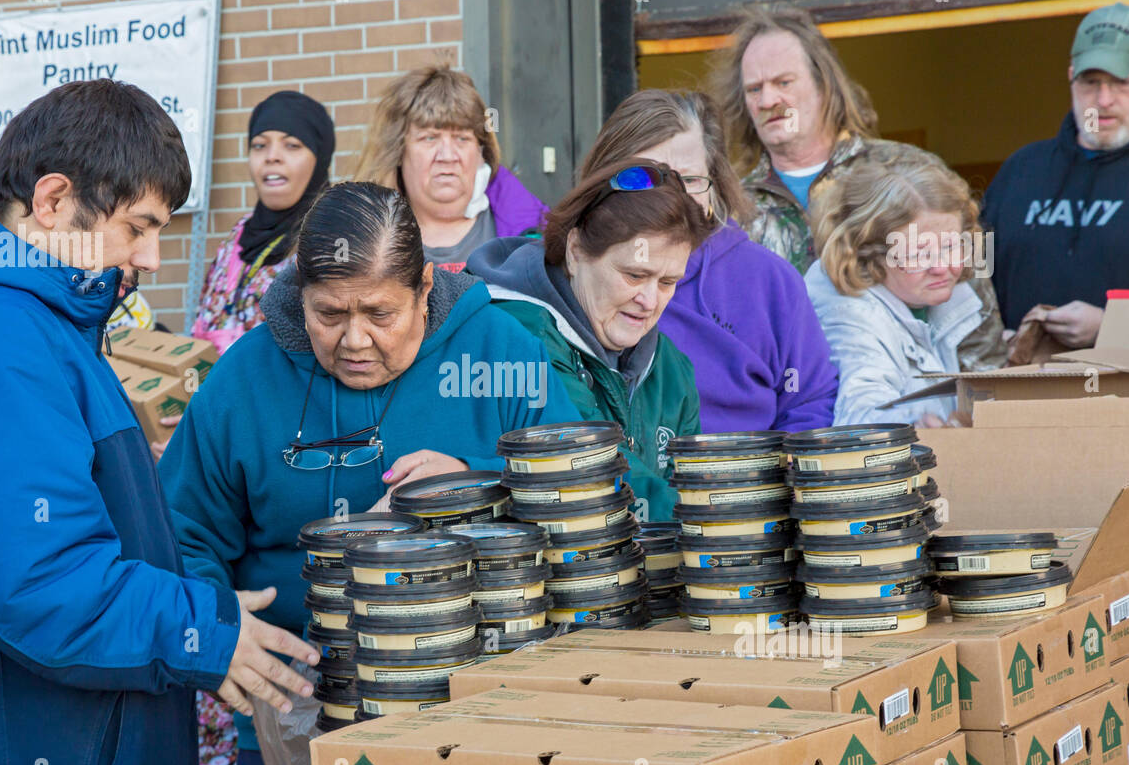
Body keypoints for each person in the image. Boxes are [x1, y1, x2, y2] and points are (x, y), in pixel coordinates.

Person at [0, 80, 319, 765]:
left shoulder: (37, 321)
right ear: (54, 202)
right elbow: (35, 580)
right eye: (139, 226)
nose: (154, 257)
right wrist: (198, 630)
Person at [157, 181, 578, 765]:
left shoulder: (501, 352)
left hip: (476, 703)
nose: (354, 341)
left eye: (381, 315)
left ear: (426, 292)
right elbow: (179, 529)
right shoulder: (244, 377)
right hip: (290, 707)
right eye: (329, 315)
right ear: (300, 298)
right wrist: (218, 625)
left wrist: (477, 477)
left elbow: (585, 491)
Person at [715, 3, 1006, 372]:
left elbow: (974, 306)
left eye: (783, 83)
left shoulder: (907, 170)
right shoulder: (732, 208)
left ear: (823, 83)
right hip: (789, 419)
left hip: (908, 415)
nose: (768, 100)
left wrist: (977, 411)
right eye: (754, 89)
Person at [577, 88, 838, 431]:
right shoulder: (581, 269)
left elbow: (809, 401)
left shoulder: (770, 281)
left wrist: (772, 477)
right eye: (647, 178)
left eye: (689, 180)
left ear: (715, 186)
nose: (674, 200)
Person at [467, 159, 710, 520]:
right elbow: (593, 468)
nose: (650, 300)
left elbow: (690, 482)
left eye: (667, 282)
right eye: (634, 275)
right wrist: (720, 519)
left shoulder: (671, 367)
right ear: (576, 250)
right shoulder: (518, 336)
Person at [982, 2, 1129, 347]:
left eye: (1122, 83)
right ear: (1071, 77)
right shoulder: (1020, 170)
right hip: (1025, 391)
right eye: (1091, 82)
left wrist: (1112, 325)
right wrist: (991, 339)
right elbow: (968, 279)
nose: (1103, 99)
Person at [805, 143, 992, 427]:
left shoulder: (930, 298)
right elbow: (861, 408)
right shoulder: (849, 314)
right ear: (870, 253)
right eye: (918, 253)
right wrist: (913, 424)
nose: (942, 267)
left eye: (952, 246)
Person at [355, 65, 549, 272]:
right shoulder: (357, 242)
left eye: (462, 138)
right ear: (398, 152)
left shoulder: (537, 236)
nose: (447, 156)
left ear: (481, 152)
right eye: (429, 138)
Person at [191, 91, 335, 354]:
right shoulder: (239, 235)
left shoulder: (331, 241)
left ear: (320, 157)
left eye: (292, 145)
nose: (272, 156)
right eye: (259, 145)